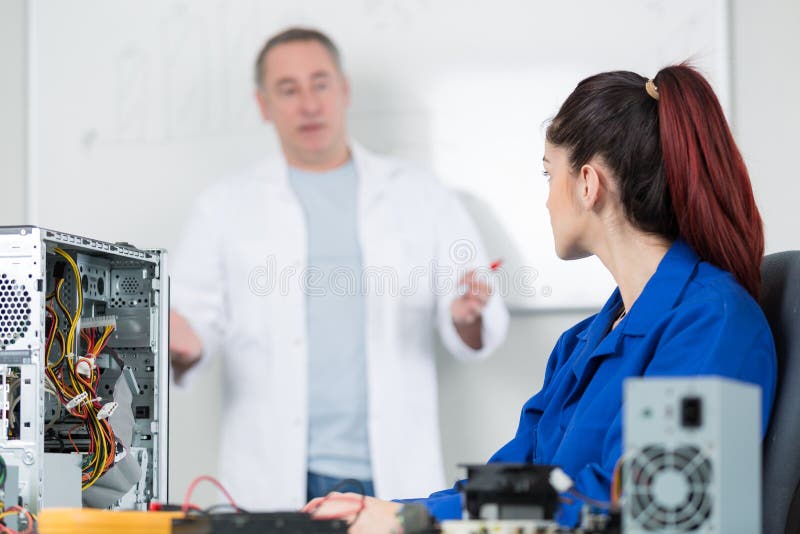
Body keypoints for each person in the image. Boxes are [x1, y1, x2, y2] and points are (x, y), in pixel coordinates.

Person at [304, 64, 777, 530]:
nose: (547, 199)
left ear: (588, 184)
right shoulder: (582, 344)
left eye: (549, 174)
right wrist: (382, 512)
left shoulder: (710, 323)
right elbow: (513, 486)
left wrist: (409, 521)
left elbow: (652, 508)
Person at [168, 27, 509, 511]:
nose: (308, 104)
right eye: (288, 89)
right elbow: (192, 332)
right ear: (263, 104)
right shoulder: (223, 207)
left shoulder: (419, 193)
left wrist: (468, 315)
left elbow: (475, 317)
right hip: (273, 475)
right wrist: (177, 341)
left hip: (393, 470)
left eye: (320, 83)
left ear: (344, 90)